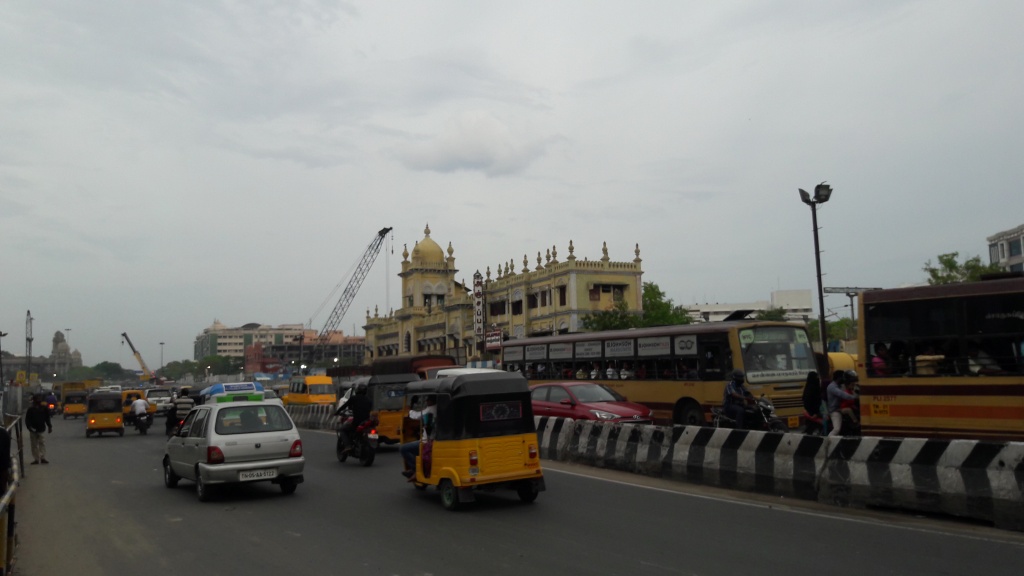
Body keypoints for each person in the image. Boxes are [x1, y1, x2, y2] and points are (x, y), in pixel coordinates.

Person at [400, 395, 436, 479]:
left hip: (427, 441)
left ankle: (416, 469)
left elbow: (416, 415)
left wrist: (409, 411)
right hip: (435, 439)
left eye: (428, 399)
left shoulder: (431, 409)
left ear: (432, 400)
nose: (426, 401)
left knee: (403, 448)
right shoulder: (441, 408)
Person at [336, 383, 373, 453]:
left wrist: (337, 412)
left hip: (357, 422)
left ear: (357, 390)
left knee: (342, 430)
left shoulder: (354, 398)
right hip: (366, 422)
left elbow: (344, 406)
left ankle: (348, 446)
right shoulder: (369, 400)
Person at [827, 370, 858, 436]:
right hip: (835, 411)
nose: (844, 379)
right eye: (843, 377)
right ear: (839, 378)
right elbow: (842, 394)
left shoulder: (839, 386)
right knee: (836, 429)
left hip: (839, 409)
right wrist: (854, 397)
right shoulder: (832, 387)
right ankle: (828, 440)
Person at [25, 394, 53, 464]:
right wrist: (29, 427)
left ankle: (42, 457)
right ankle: (36, 459)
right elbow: (27, 420)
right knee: (34, 445)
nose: (38, 400)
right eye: (37, 399)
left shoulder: (44, 408)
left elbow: (47, 418)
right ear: (34, 400)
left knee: (42, 443)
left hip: (41, 429)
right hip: (33, 429)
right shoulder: (30, 409)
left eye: (39, 399)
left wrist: (49, 426)